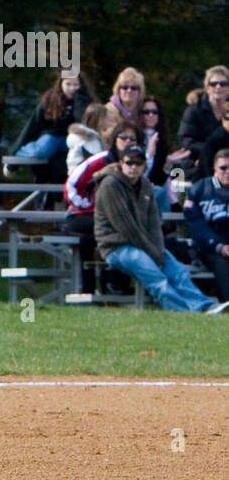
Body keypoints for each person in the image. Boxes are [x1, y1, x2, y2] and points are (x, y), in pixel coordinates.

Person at [94, 144, 229, 313]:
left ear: (144, 165)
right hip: (116, 246)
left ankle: (205, 307)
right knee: (156, 278)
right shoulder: (110, 185)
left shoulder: (145, 185)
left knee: (178, 271)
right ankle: (184, 312)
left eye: (139, 163)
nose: (134, 167)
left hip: (145, 244)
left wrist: (158, 250)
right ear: (121, 163)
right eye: (129, 163)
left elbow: (154, 223)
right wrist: (154, 252)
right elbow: (127, 227)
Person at [61, 124, 141, 293]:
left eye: (132, 139)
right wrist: (89, 205)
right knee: (116, 230)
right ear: (114, 140)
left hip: (115, 218)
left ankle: (115, 284)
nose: (128, 142)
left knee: (128, 230)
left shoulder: (137, 164)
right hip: (83, 215)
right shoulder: (100, 160)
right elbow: (71, 185)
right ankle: (96, 286)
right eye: (123, 138)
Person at [8, 69, 91, 181]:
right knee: (45, 148)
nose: (72, 88)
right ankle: (19, 154)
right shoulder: (49, 100)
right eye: (68, 84)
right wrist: (13, 158)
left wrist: (79, 100)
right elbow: (32, 126)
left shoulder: (85, 100)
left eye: (75, 85)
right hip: (52, 137)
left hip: (72, 140)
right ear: (61, 84)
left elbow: (83, 124)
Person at [183, 148, 229, 302]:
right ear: (215, 168)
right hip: (208, 248)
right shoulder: (200, 189)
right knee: (221, 262)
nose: (227, 172)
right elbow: (195, 224)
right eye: (223, 167)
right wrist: (219, 246)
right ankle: (227, 304)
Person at [177, 64, 229, 175]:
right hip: (198, 164)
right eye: (213, 84)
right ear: (207, 88)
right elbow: (186, 142)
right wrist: (209, 154)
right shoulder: (194, 111)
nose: (218, 87)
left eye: (223, 84)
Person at [66, 102, 110, 174]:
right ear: (100, 120)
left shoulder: (92, 137)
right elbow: (98, 161)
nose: (109, 121)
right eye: (107, 118)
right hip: (82, 176)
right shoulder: (89, 140)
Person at [102, 67, 146, 132]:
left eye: (133, 88)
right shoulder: (108, 111)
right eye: (125, 87)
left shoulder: (145, 110)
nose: (129, 91)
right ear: (118, 90)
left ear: (140, 91)